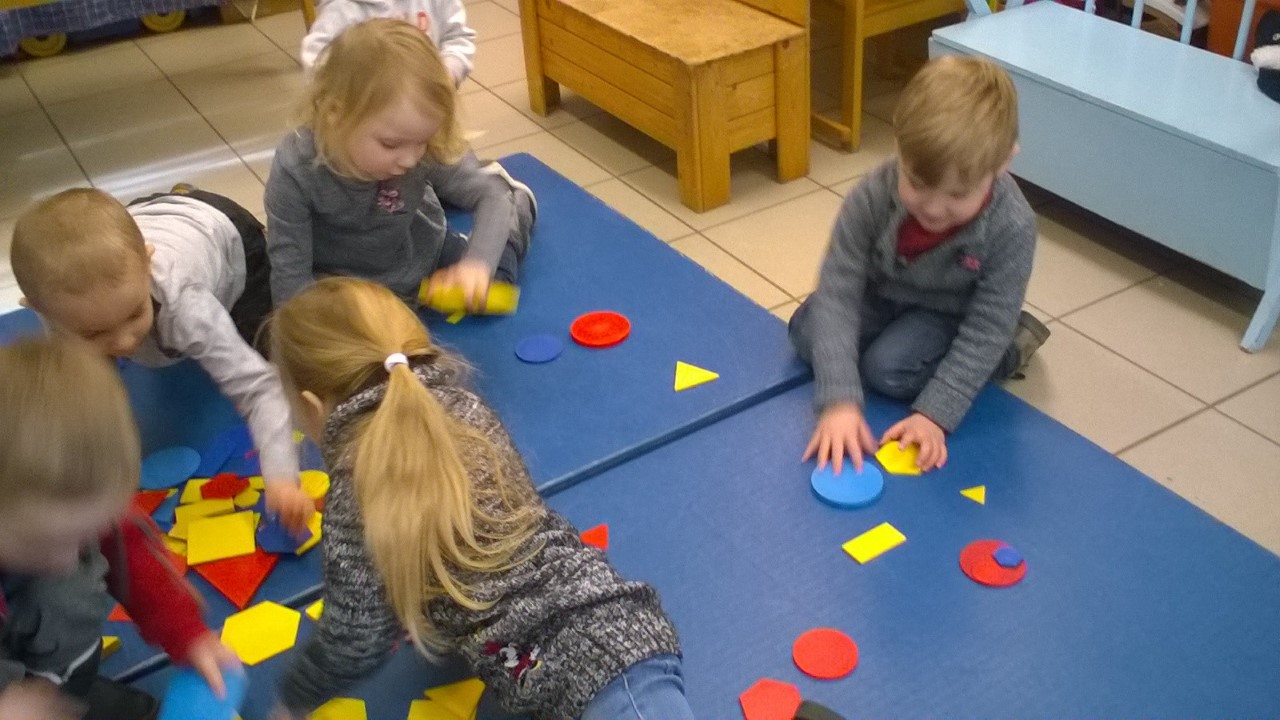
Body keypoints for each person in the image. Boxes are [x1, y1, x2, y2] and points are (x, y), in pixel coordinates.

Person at [266, 278, 694, 720]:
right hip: (619, 628)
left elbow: (356, 639)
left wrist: (291, 700)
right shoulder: (466, 410)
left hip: (609, 677)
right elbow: (499, 528)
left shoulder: (354, 487)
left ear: (314, 408)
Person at [790, 55, 1050, 475]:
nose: (933, 208)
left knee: (886, 371)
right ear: (899, 148)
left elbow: (984, 329)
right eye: (918, 183)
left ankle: (1013, 347)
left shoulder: (1012, 226)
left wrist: (934, 415)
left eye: (957, 194)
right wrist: (838, 400)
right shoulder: (874, 193)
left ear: (1003, 163)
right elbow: (840, 288)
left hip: (947, 313)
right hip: (885, 293)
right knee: (806, 330)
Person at [10, 188, 315, 531]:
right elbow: (73, 389)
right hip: (151, 217)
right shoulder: (62, 308)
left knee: (263, 341)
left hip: (225, 232)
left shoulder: (185, 304)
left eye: (133, 314)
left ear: (147, 263)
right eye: (94, 333)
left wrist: (282, 480)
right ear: (39, 310)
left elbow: (261, 388)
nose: (125, 342)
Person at [0, 337, 238, 720]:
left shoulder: (81, 507)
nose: (67, 561)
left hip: (66, 674)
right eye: (42, 543)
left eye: (82, 539)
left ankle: (74, 685)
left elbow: (137, 562)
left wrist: (186, 633)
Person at [267, 18, 536, 312]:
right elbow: (289, 278)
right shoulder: (295, 168)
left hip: (420, 257)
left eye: (422, 141)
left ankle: (518, 212)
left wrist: (477, 265)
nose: (410, 159)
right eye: (391, 145)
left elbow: (492, 197)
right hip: (345, 287)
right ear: (335, 114)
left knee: (494, 286)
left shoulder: (416, 150)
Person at [300, 0, 475, 87]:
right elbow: (317, 60)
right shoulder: (344, 10)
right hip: (365, 126)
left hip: (430, 117)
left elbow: (457, 37)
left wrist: (446, 74)